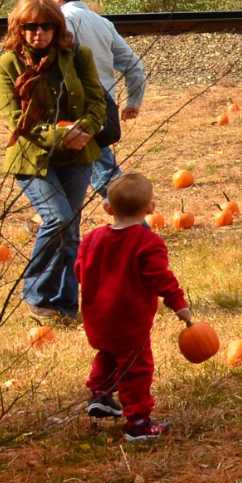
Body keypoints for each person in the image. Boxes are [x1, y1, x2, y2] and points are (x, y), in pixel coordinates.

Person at [0, 0, 105, 324]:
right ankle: (36, 293)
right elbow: (14, 119)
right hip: (32, 158)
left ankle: (66, 304)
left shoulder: (78, 56)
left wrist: (85, 129)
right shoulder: (7, 64)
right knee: (57, 219)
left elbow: (97, 103)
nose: (37, 34)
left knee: (70, 230)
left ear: (57, 28)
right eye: (29, 27)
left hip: (77, 155)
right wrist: (60, 136)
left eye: (45, 27)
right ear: (18, 28)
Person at [76, 172, 194, 442]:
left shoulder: (91, 238)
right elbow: (161, 279)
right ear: (151, 208)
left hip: (97, 318)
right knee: (136, 369)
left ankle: (101, 393)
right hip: (128, 321)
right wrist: (179, 305)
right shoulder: (147, 243)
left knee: (107, 352)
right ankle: (138, 422)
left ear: (108, 208)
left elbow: (79, 270)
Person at [38, 0, 147, 198]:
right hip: (103, 108)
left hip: (74, 111)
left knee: (105, 178)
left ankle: (136, 220)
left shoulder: (59, 24)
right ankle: (58, 223)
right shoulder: (104, 23)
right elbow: (134, 66)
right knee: (92, 169)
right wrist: (133, 101)